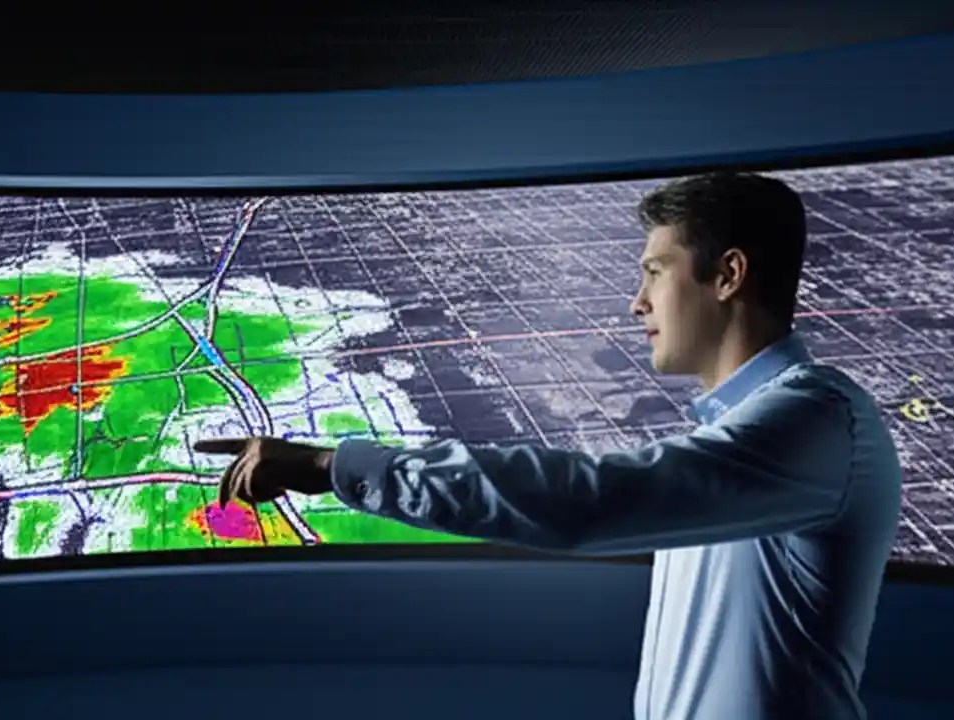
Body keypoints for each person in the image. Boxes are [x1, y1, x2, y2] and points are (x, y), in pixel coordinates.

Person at [194, 172, 903, 720]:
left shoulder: (816, 421)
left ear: (728, 276)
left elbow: (583, 503)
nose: (637, 302)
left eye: (655, 271)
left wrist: (330, 466)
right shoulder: (746, 428)